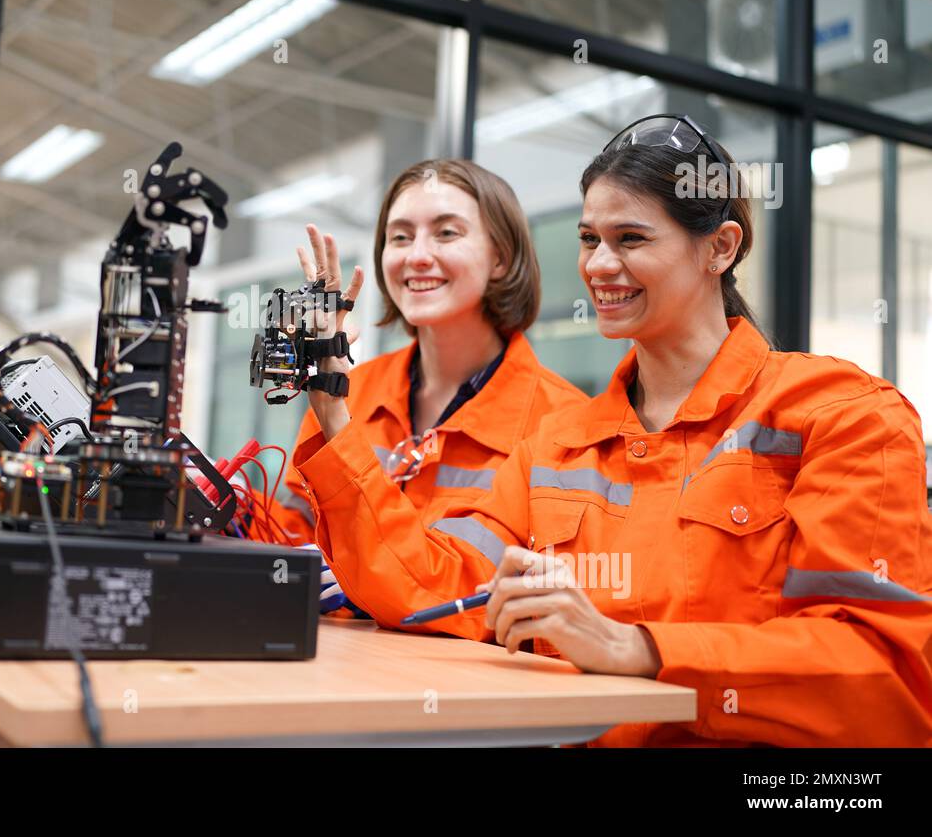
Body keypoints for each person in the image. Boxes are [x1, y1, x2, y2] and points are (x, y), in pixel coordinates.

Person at [309, 114, 932, 746]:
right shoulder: (558, 444)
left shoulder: (842, 414)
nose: (599, 265)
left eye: (630, 238)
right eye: (588, 239)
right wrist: (335, 411)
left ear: (719, 247)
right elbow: (432, 587)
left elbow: (877, 668)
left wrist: (635, 648)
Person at [235, 160, 588, 610]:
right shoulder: (350, 388)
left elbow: (479, 592)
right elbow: (298, 537)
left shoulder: (563, 425)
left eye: (446, 233)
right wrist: (222, 506)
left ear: (501, 257)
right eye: (400, 237)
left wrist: (364, 573)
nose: (417, 255)